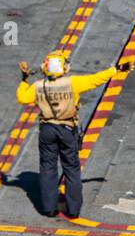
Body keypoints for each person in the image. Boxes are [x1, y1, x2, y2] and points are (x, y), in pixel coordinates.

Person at [16, 53, 119, 218]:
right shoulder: (72, 83)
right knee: (71, 169)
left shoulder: (37, 86)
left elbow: (22, 98)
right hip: (67, 129)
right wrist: (116, 69)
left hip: (47, 129)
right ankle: (73, 210)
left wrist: (23, 79)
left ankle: (49, 208)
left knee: (48, 168)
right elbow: (96, 79)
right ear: (64, 68)